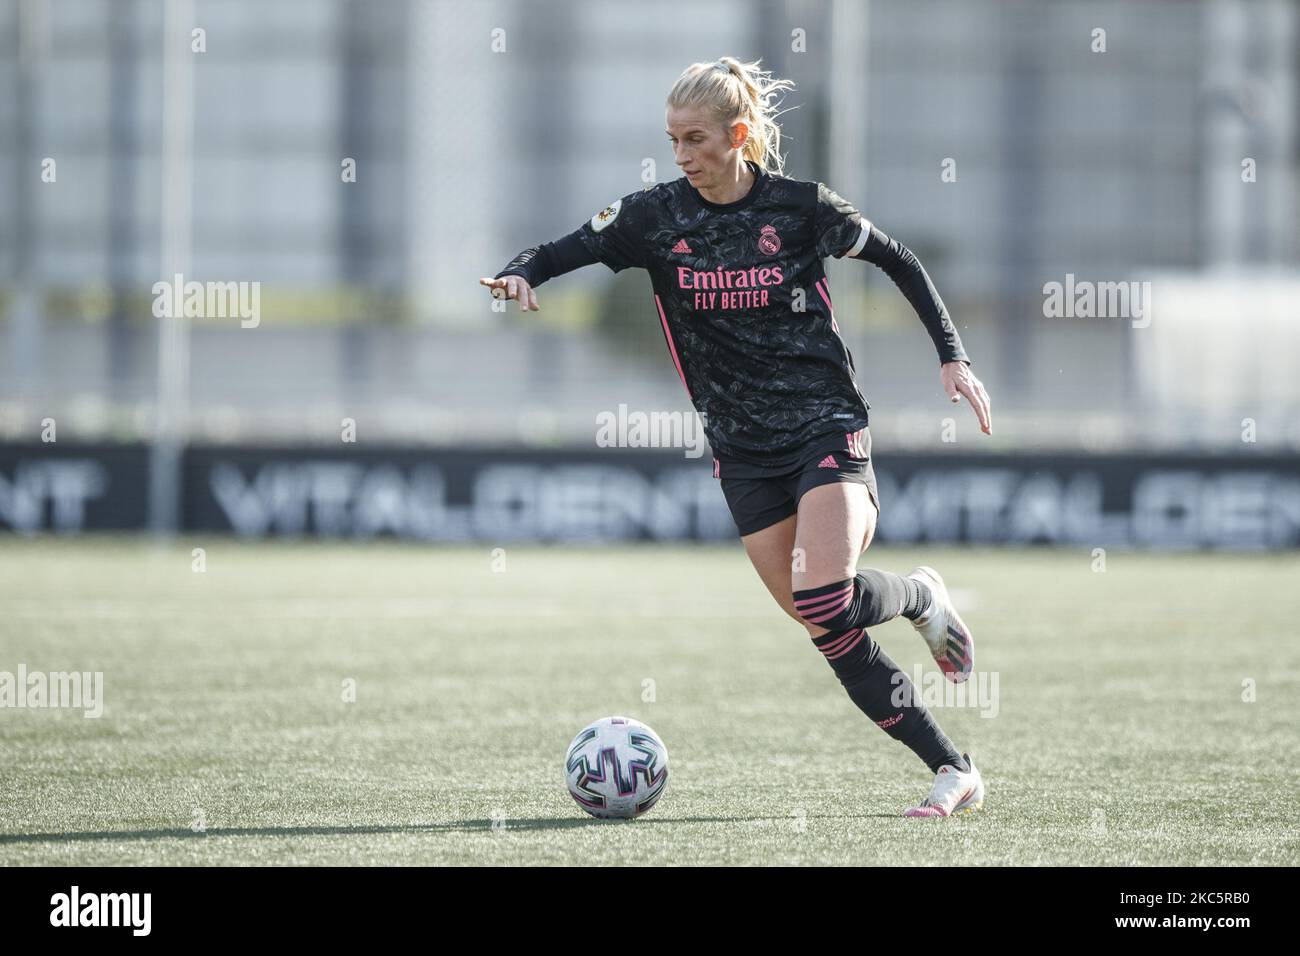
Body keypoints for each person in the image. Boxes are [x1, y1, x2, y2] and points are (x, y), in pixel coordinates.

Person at [479, 56, 994, 817]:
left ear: (739, 136)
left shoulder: (801, 208)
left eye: (694, 138)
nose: (681, 154)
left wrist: (954, 357)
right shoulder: (655, 217)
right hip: (742, 451)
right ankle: (922, 610)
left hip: (826, 424)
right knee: (824, 621)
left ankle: (952, 771)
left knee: (823, 598)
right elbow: (558, 252)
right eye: (672, 139)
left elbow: (899, 259)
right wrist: (520, 274)